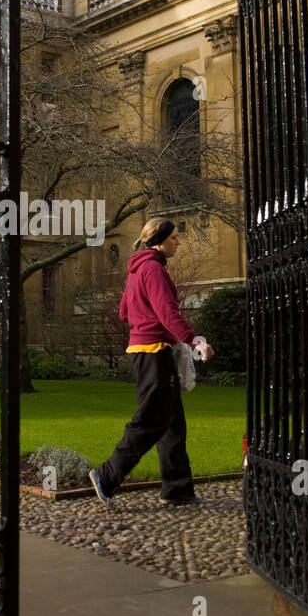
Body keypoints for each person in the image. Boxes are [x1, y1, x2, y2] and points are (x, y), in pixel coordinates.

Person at [89, 217, 214, 507]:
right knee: (151, 420)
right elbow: (167, 315)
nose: (178, 242)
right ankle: (106, 475)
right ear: (159, 240)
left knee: (172, 423)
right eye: (173, 238)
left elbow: (124, 312)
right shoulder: (154, 270)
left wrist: (143, 321)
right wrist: (195, 341)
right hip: (153, 351)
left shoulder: (137, 271)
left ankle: (177, 488)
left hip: (146, 350)